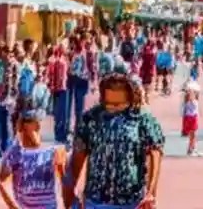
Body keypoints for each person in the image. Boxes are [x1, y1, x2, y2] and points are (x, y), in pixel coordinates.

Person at [64, 69, 164, 209]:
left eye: (118, 105)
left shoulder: (142, 119)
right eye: (108, 104)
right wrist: (70, 191)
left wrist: (151, 192)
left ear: (129, 98)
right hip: (95, 201)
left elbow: (155, 153)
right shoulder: (91, 119)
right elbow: (78, 155)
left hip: (131, 202)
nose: (113, 110)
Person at [0, 107, 66, 209]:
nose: (39, 125)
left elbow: (65, 180)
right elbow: (2, 181)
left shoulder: (54, 150)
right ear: (24, 125)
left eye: (40, 121)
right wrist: (14, 207)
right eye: (35, 121)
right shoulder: (15, 152)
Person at [181, 78, 202, 157]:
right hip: (191, 118)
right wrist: (190, 90)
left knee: (193, 135)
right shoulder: (190, 99)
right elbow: (190, 96)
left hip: (191, 117)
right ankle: (191, 149)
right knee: (193, 135)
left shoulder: (191, 99)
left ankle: (192, 148)